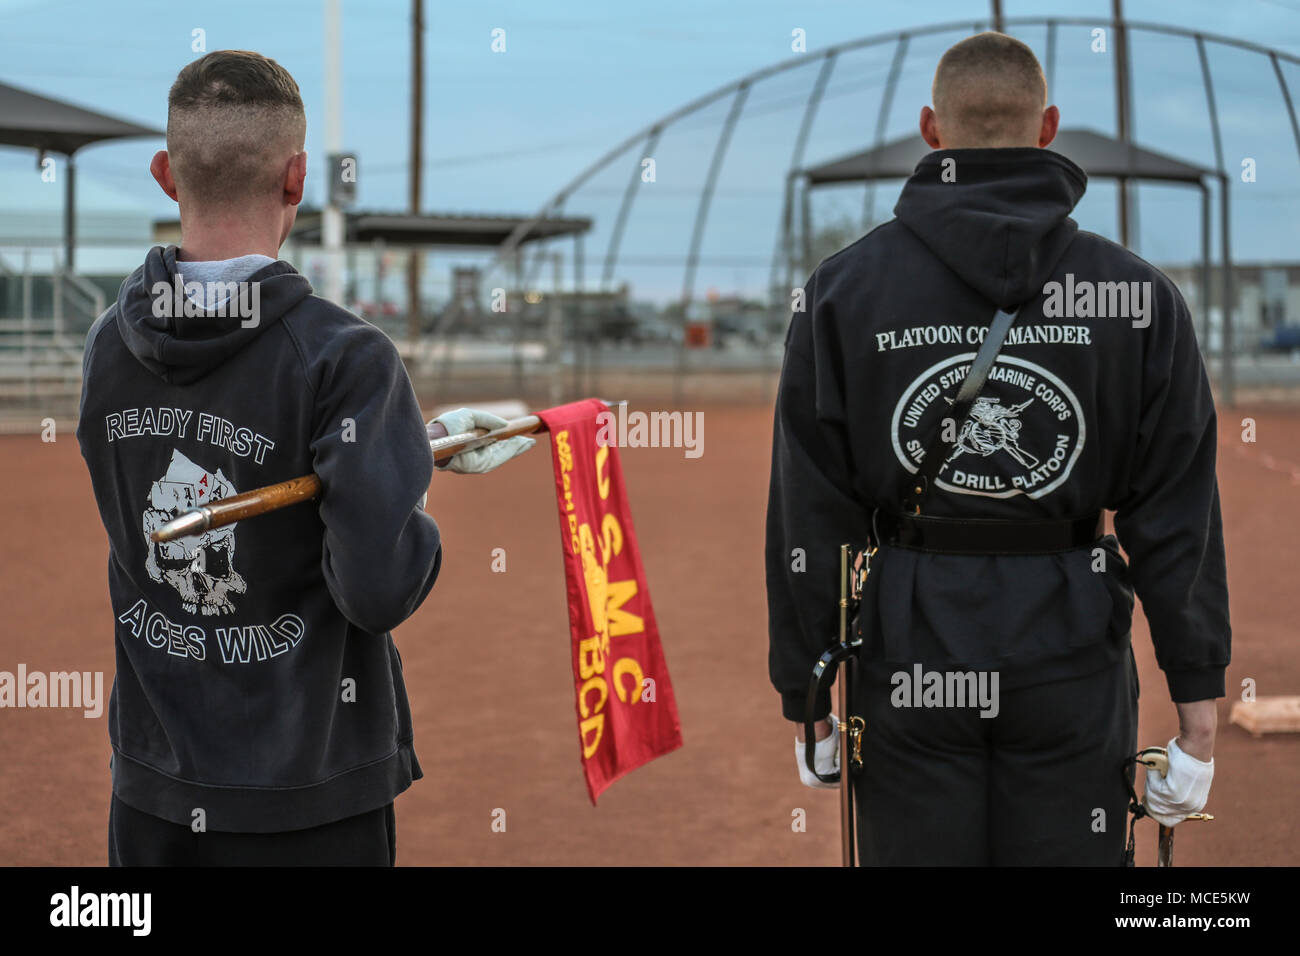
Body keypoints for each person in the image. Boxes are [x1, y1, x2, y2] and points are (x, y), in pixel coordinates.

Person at [766, 32, 1229, 866]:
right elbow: (1176, 510)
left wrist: (810, 696)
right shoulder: (1137, 295)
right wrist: (1197, 703)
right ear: (1049, 127)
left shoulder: (843, 289)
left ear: (929, 131)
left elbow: (812, 511)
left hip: (909, 639)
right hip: (1071, 636)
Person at [76, 49, 532, 866]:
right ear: (296, 179)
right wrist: (404, 490)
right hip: (308, 798)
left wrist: (384, 459)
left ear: (164, 175)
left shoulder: (109, 345)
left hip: (154, 789)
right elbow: (378, 588)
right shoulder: (345, 358)